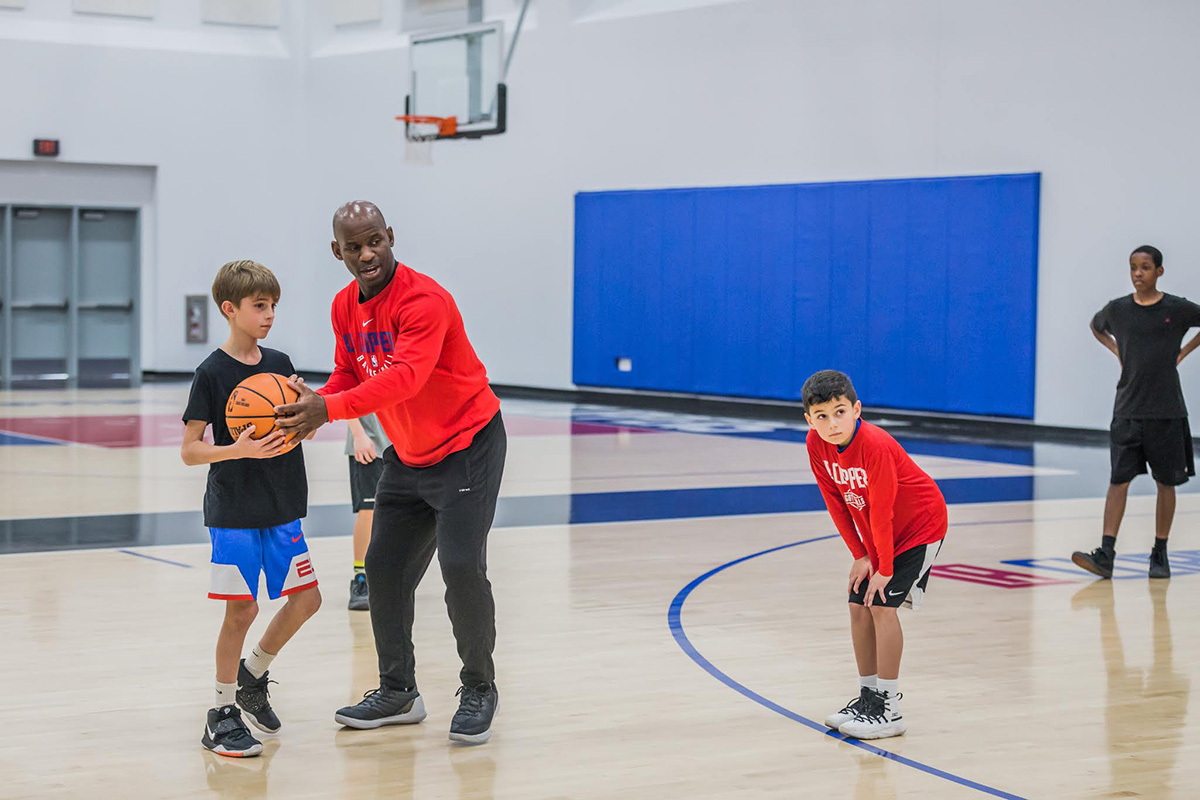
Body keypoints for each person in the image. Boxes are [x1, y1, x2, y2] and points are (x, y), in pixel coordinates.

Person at [276, 201, 506, 744]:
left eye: (374, 241)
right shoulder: (343, 305)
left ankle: (479, 687)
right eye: (353, 246)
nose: (366, 254)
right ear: (337, 251)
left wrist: (328, 410)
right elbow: (349, 371)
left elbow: (405, 378)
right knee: (382, 567)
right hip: (409, 453)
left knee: (460, 567)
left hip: (467, 446)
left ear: (391, 236)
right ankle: (398, 691)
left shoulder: (424, 300)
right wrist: (316, 400)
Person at [181, 260, 322, 757]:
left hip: (282, 501)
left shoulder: (280, 363)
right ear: (230, 309)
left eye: (273, 306)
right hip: (234, 507)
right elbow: (190, 450)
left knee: (308, 600)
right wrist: (235, 449)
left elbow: (301, 429)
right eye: (260, 306)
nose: (269, 315)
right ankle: (221, 714)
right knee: (242, 609)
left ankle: (252, 674)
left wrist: (308, 415)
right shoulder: (211, 373)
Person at [803, 370, 947, 740]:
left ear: (856, 409)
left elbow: (882, 511)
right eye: (822, 416)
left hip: (919, 527)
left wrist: (882, 566)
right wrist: (861, 554)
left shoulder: (875, 445)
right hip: (881, 532)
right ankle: (869, 698)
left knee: (882, 606)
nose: (832, 424)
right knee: (857, 604)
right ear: (809, 420)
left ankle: (890, 709)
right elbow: (836, 503)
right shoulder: (815, 444)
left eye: (840, 412)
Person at [1073, 245, 1200, 580]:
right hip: (1127, 409)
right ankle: (1106, 554)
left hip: (1166, 410)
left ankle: (1160, 552)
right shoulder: (1118, 309)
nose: (1138, 273)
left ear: (1159, 271)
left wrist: (1183, 352)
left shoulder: (1176, 308)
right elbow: (1096, 325)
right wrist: (1118, 351)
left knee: (1166, 483)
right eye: (1133, 267)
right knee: (1118, 480)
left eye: (1145, 267)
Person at [346, 413, 390, 610]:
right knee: (369, 511)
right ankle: (361, 578)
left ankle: (386, 575)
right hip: (369, 442)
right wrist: (358, 434)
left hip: (399, 442)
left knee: (397, 512)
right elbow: (344, 398)